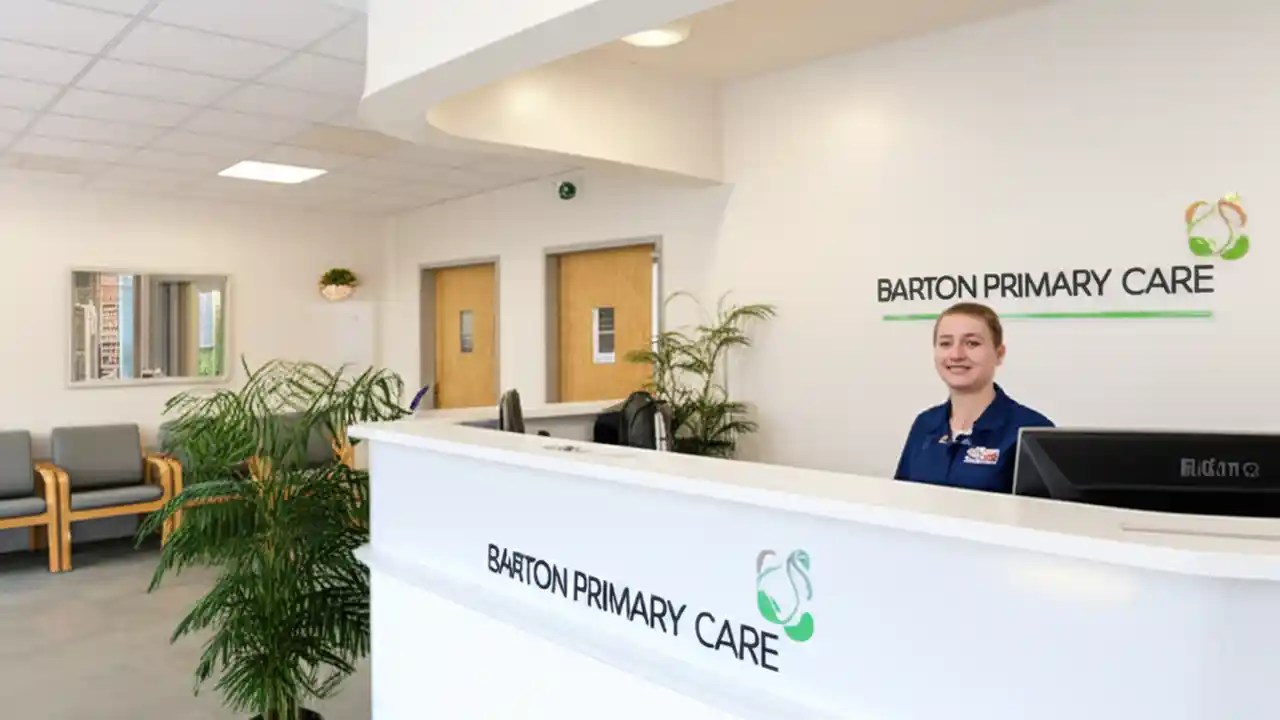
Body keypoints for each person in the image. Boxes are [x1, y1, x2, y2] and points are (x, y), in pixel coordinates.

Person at [894, 302, 1053, 493]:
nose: (956, 354)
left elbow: (1046, 517)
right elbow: (901, 501)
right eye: (945, 343)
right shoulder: (925, 424)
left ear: (999, 354)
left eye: (972, 343)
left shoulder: (1031, 430)